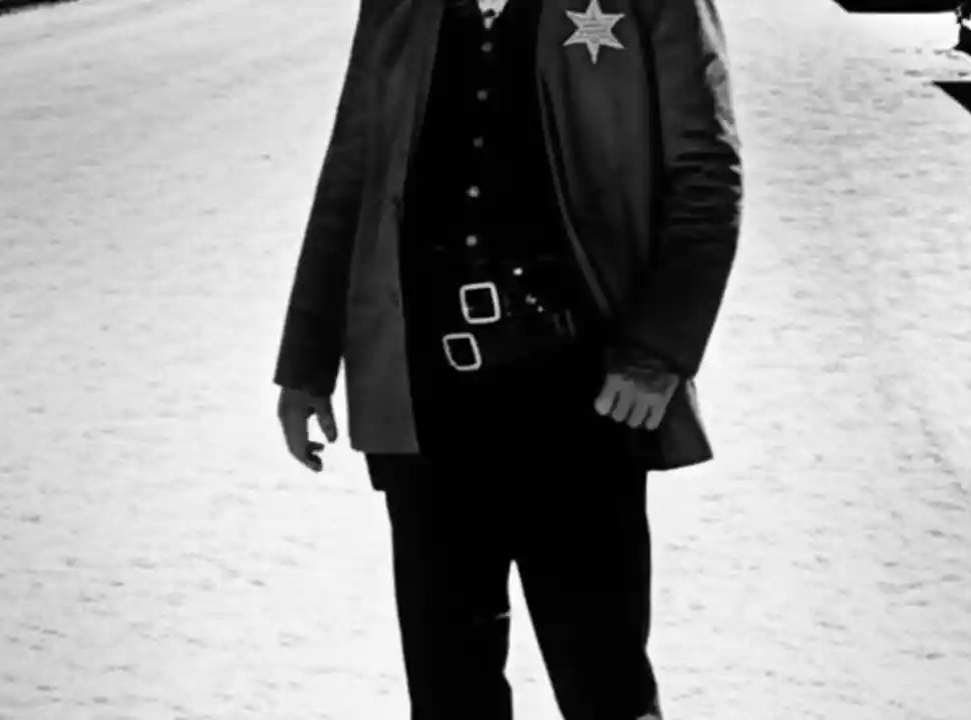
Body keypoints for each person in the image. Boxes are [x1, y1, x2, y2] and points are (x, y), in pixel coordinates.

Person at [273, 0, 741, 717]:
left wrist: (659, 350)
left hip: (580, 396)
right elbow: (354, 172)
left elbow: (706, 170)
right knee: (448, 692)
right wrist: (308, 360)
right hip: (428, 400)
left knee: (605, 685)